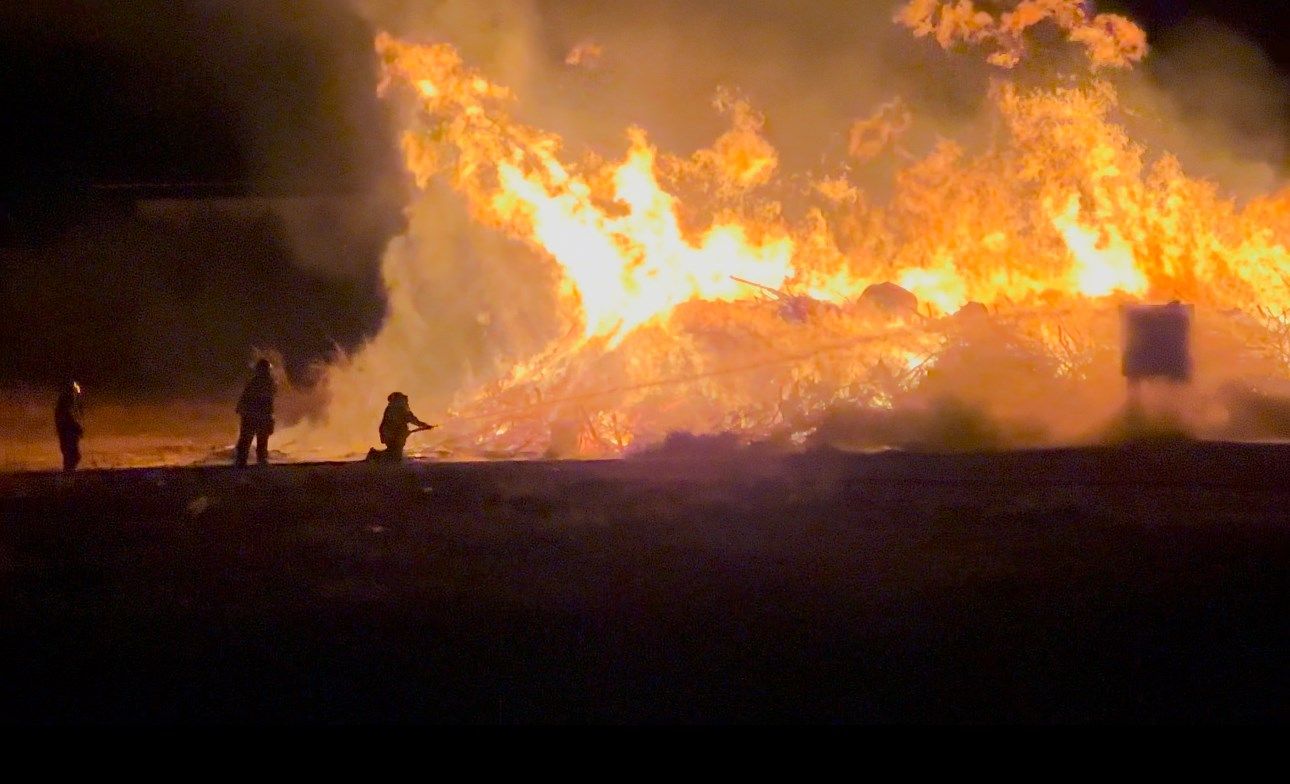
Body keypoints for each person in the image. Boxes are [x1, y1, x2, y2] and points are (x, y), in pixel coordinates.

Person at [367, 392, 434, 462]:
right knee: (395, 454)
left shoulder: (390, 408)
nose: (406, 402)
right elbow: (413, 420)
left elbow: (383, 425)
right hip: (395, 435)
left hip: (389, 434)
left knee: (393, 452)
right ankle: (375, 455)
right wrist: (425, 426)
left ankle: (375, 455)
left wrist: (383, 435)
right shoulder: (401, 410)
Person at [235, 358, 276, 467]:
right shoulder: (267, 383)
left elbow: (244, 399)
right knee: (255, 442)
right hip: (257, 416)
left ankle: (243, 463)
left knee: (249, 441)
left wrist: (241, 409)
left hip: (254, 416)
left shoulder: (258, 382)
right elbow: (268, 402)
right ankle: (254, 463)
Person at [54, 380, 84, 472]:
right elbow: (68, 419)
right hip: (68, 433)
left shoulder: (65, 405)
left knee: (71, 456)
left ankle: (69, 473)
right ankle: (69, 474)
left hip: (67, 432)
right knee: (73, 455)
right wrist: (77, 427)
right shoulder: (66, 405)